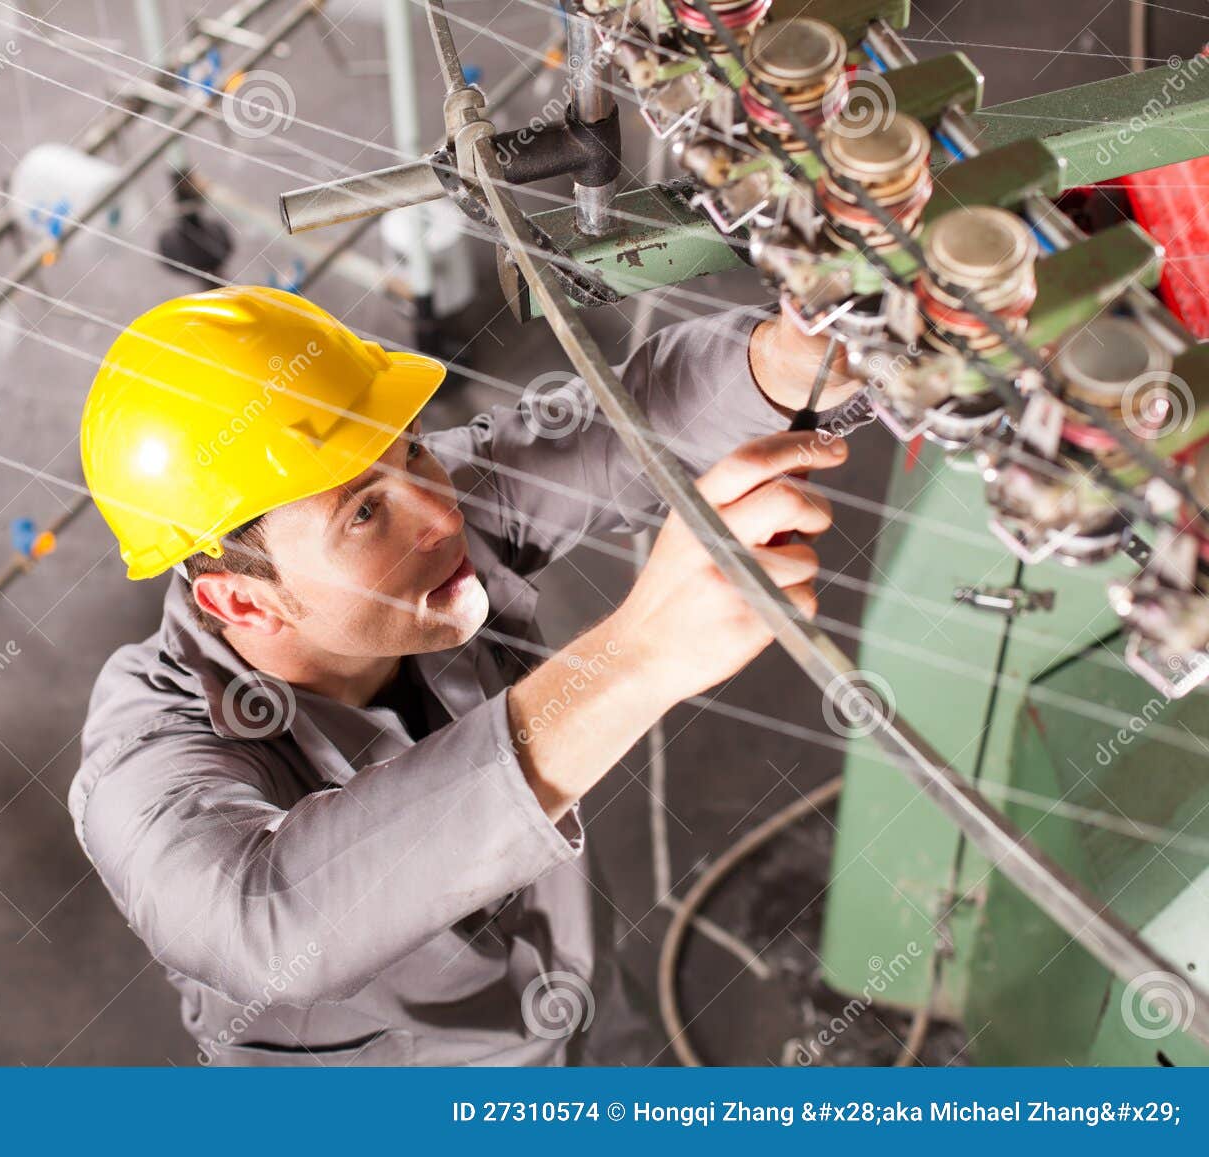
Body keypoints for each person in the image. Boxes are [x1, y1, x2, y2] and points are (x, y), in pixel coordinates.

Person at [69, 285, 862, 1065]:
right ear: (242, 600)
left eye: (412, 444)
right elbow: (270, 920)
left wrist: (788, 362)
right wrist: (631, 657)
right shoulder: (143, 764)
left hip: (586, 1010)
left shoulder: (423, 510)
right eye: (363, 512)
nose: (442, 512)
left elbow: (628, 425)